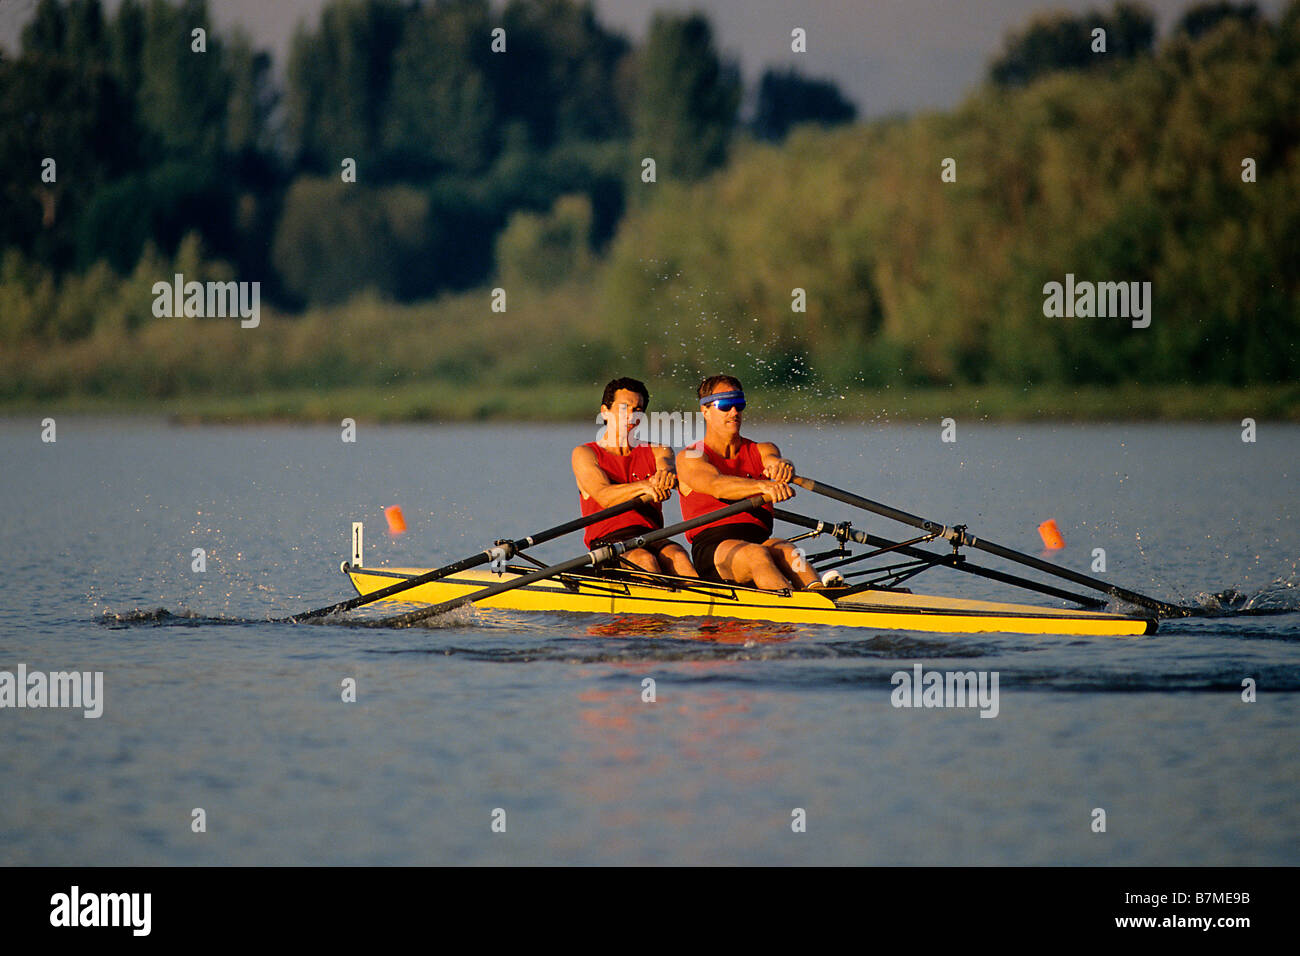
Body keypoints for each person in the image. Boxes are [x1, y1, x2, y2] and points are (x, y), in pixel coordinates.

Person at [675, 375, 844, 591]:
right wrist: (763, 486)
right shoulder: (691, 456)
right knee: (757, 554)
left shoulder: (762, 449)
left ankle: (819, 592)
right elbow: (716, 485)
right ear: (705, 411)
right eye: (725, 405)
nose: (734, 412)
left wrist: (782, 467)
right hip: (715, 550)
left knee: (788, 550)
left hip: (758, 540)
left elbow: (775, 459)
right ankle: (792, 606)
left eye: (739, 404)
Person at [571, 377, 698, 577]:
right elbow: (604, 496)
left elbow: (667, 466)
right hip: (608, 542)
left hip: (651, 537)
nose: (631, 415)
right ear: (605, 411)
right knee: (644, 560)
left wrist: (665, 475)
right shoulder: (586, 453)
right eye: (624, 408)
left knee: (679, 556)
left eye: (638, 409)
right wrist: (646, 486)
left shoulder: (658, 450)